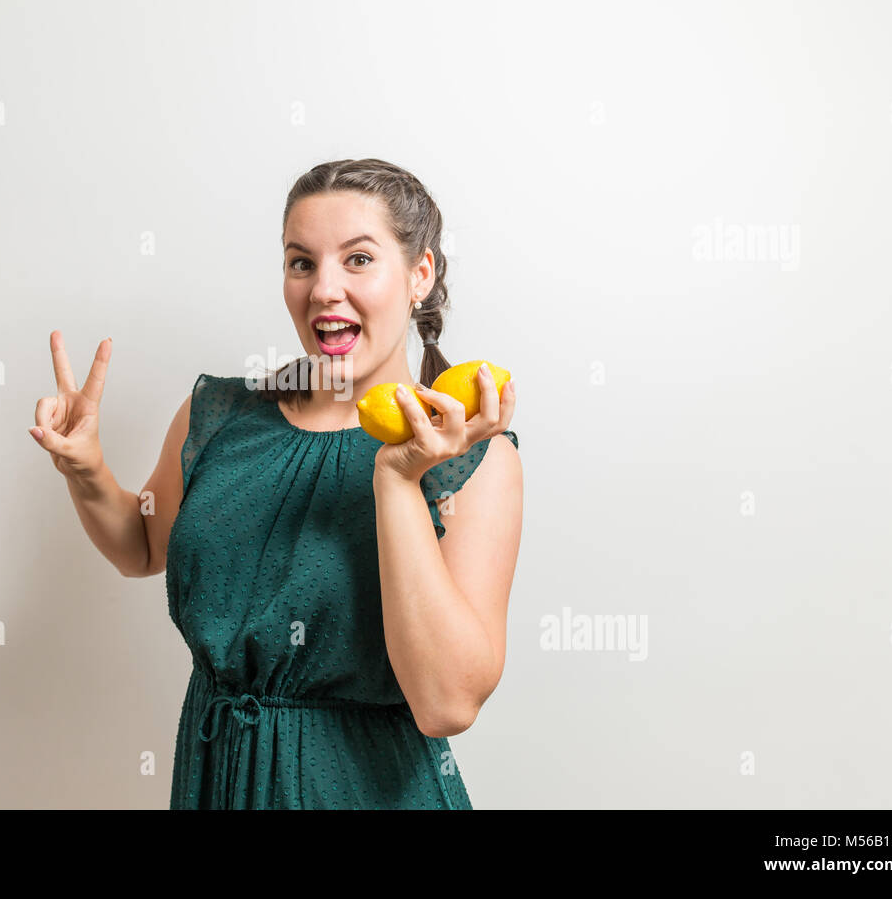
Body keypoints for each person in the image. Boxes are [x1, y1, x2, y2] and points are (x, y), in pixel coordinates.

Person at [30, 158, 523, 808]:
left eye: (358, 260)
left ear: (420, 276)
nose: (323, 289)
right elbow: (142, 548)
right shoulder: (221, 415)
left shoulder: (468, 456)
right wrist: (86, 467)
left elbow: (447, 703)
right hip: (217, 781)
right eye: (301, 262)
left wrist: (400, 481)